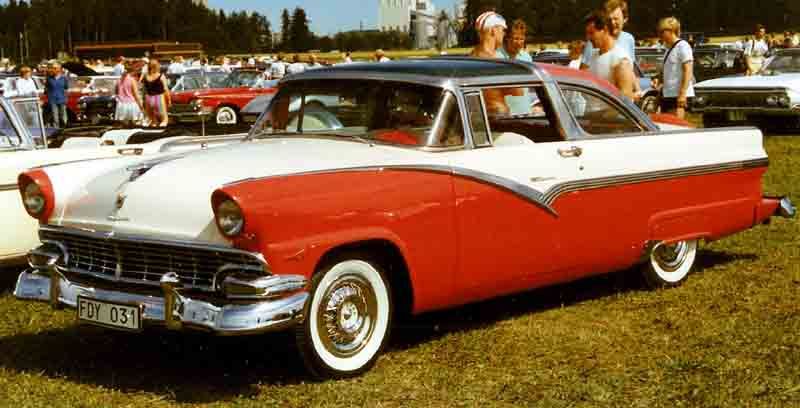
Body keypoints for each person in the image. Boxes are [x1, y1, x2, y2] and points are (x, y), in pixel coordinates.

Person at [584, 10, 636, 100]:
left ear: (605, 30)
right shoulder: (594, 56)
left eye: (592, 33)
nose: (588, 38)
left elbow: (626, 100)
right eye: (587, 34)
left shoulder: (620, 60)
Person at [471, 11, 511, 114]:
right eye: (503, 30)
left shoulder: (474, 56)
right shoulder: (490, 61)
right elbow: (517, 91)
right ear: (493, 30)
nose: (504, 34)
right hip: (496, 116)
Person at [658, 17, 694, 119]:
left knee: (676, 125)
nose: (660, 35)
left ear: (671, 30)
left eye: (662, 31)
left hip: (678, 96)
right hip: (668, 95)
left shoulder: (683, 46)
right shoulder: (668, 49)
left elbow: (688, 70)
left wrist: (682, 94)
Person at [581, 0, 635, 69]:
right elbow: (584, 70)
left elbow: (631, 67)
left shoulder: (629, 39)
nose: (612, 22)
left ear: (625, 19)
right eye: (609, 19)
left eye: (616, 19)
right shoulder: (594, 41)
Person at [141, 60, 171, 127]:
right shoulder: (161, 76)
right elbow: (165, 89)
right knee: (164, 119)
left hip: (148, 98)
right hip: (159, 98)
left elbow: (143, 89)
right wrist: (169, 100)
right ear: (157, 66)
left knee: (153, 121)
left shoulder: (145, 76)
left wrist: (143, 100)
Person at [45, 63, 69, 128]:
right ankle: (56, 128)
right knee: (55, 115)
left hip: (62, 99)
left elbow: (66, 88)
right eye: (53, 68)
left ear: (59, 69)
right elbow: (46, 88)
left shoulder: (64, 78)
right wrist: (48, 96)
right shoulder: (49, 78)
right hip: (52, 99)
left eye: (55, 68)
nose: (53, 70)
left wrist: (66, 98)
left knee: (63, 115)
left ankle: (65, 127)